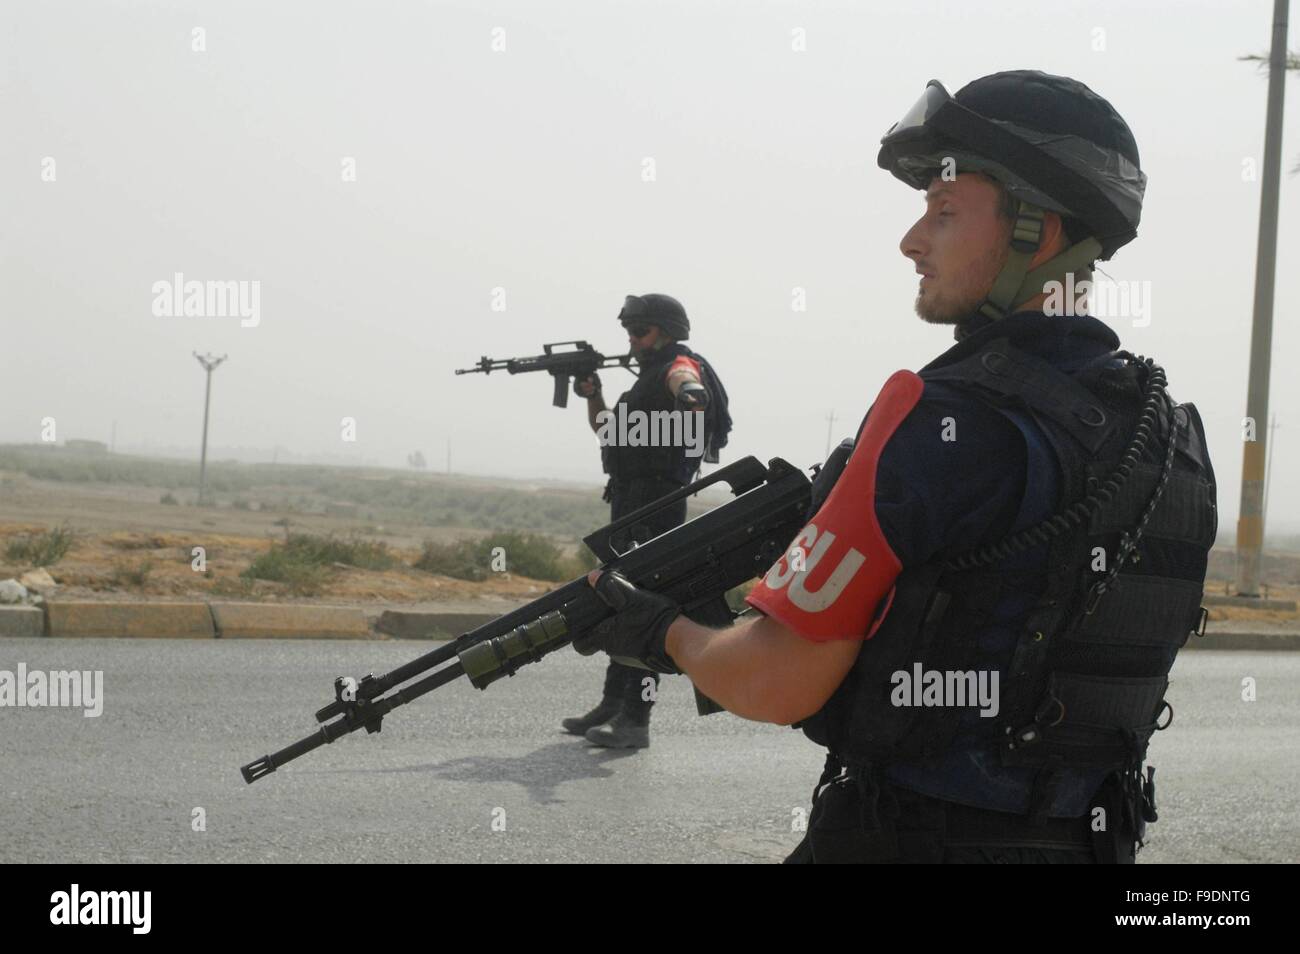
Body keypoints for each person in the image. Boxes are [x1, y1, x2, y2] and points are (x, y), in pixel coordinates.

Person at [573, 71, 1217, 862]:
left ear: (1036, 234)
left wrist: (666, 631)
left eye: (944, 212)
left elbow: (776, 681)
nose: (913, 242)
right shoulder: (1172, 433)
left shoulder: (936, 416)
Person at [561, 293, 732, 748]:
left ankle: (637, 720)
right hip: (631, 504)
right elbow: (606, 429)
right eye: (629, 333)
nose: (633, 342)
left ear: (666, 331)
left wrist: (690, 396)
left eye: (640, 332)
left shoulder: (677, 366)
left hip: (658, 506)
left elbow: (687, 381)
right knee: (619, 601)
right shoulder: (644, 383)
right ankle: (612, 704)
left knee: (644, 604)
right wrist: (593, 394)